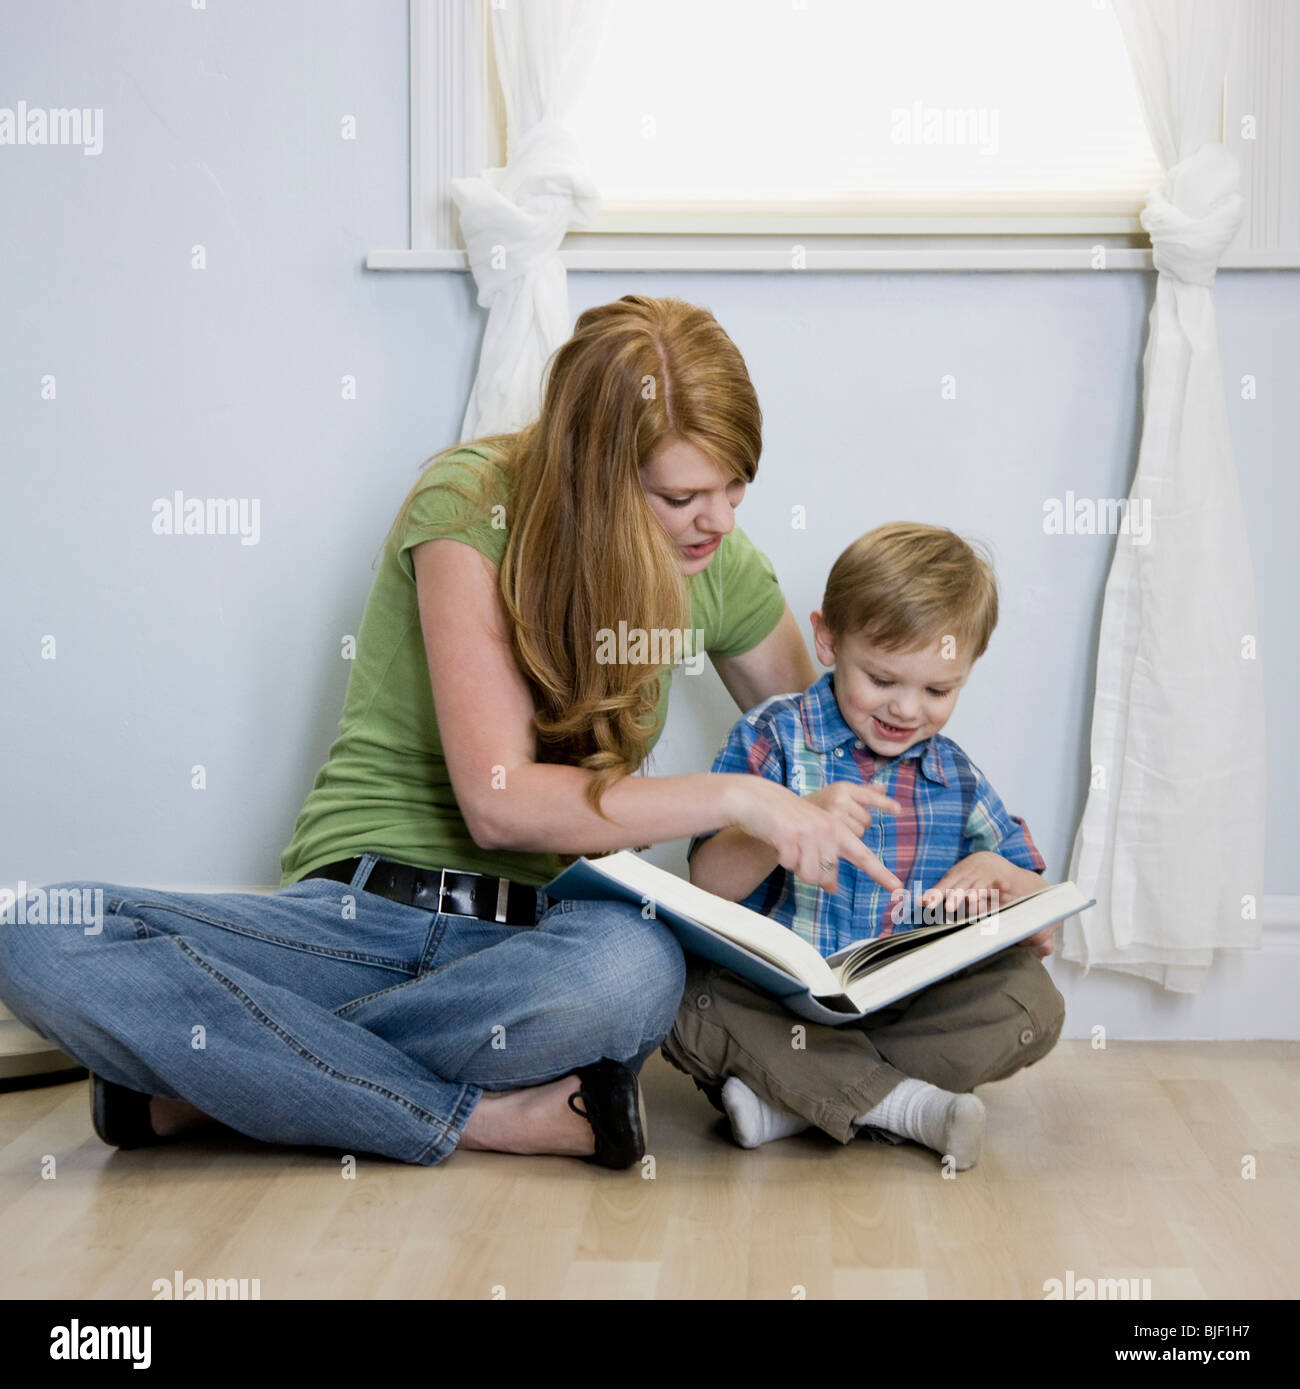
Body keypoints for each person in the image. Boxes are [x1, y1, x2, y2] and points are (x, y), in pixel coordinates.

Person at [0, 294, 900, 1171]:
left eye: (737, 486)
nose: (722, 518)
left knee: (634, 974)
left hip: (534, 947)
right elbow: (498, 803)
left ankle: (214, 1080)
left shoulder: (715, 561)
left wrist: (962, 882)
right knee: (35, 929)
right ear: (597, 471)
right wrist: (744, 795)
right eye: (684, 494)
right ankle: (475, 1117)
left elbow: (833, 745)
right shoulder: (471, 502)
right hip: (354, 914)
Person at [660, 522, 1067, 1170]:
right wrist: (782, 824)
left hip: (902, 1014)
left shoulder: (953, 775)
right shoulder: (773, 737)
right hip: (775, 1005)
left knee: (1032, 1001)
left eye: (938, 690)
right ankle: (907, 1108)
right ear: (827, 639)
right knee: (681, 989)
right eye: (882, 679)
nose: (907, 709)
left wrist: (1001, 875)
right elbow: (706, 883)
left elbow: (1040, 909)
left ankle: (794, 1099)